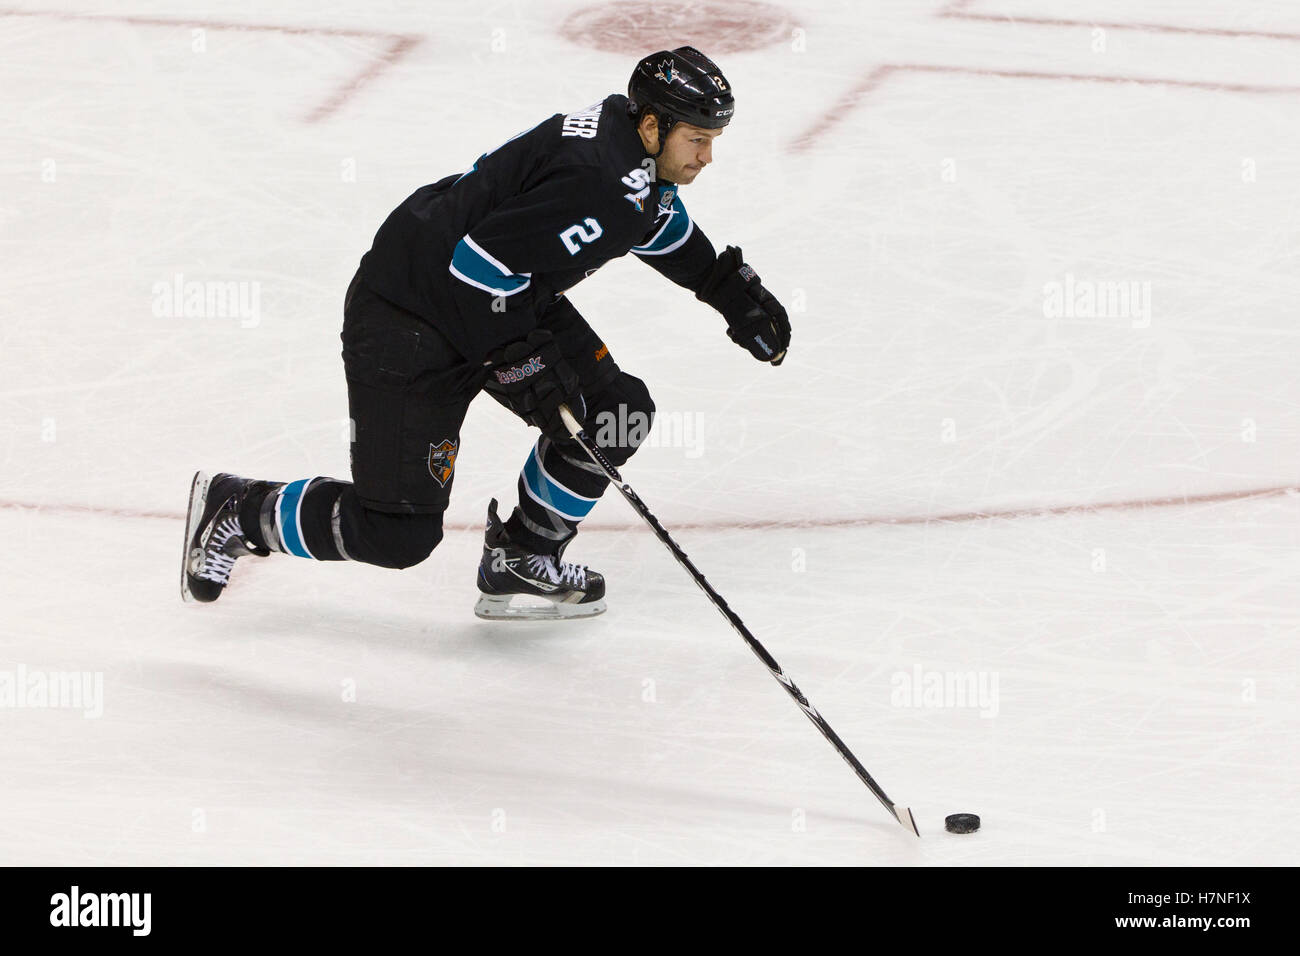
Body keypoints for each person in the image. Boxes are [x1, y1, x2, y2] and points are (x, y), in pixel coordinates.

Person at [180, 45, 791, 620]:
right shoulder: (597, 180)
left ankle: (521, 556)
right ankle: (239, 509)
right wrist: (524, 367)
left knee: (615, 412)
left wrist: (722, 287)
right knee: (398, 535)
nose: (707, 157)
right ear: (654, 127)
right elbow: (474, 268)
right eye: (699, 140)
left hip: (499, 293)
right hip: (409, 316)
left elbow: (647, 219)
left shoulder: (629, 158)